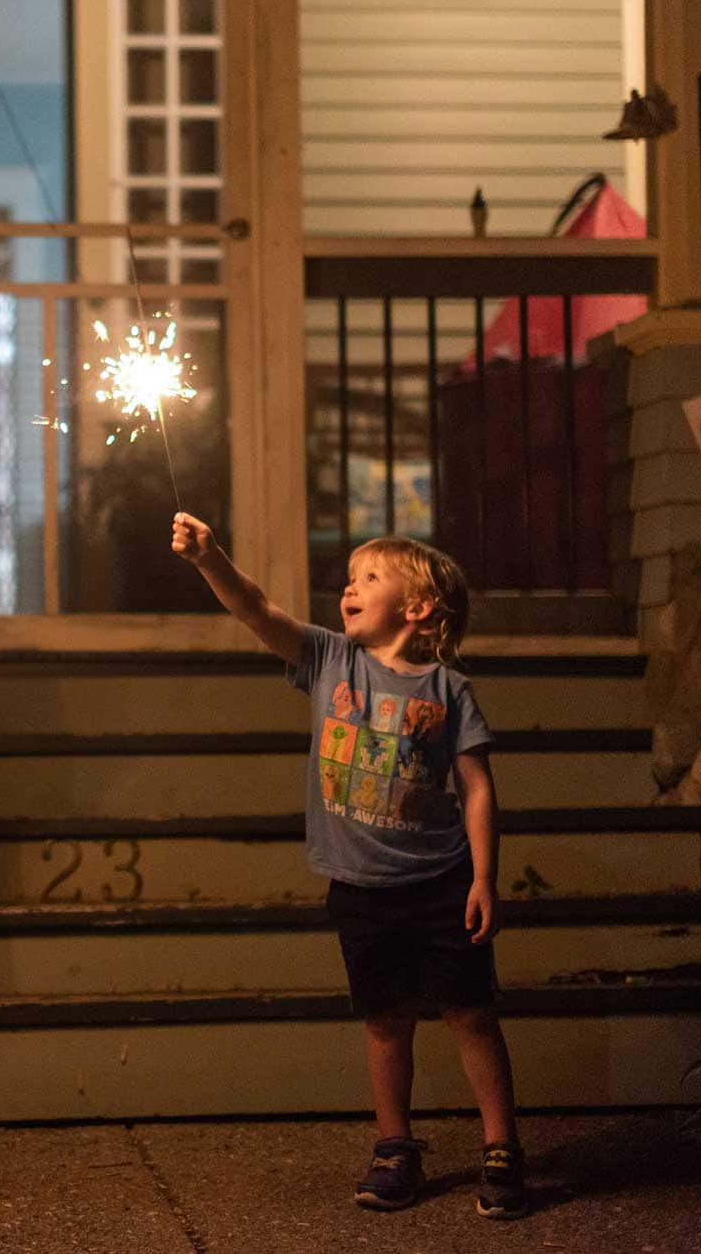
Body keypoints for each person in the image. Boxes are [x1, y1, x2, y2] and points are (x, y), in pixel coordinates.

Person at [170, 514, 528, 1220]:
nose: (347, 587)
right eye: (349, 578)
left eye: (369, 577)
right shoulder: (328, 660)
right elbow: (256, 608)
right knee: (385, 1021)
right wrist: (211, 559)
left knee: (471, 1015)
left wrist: (485, 876)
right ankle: (395, 1146)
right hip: (360, 888)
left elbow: (477, 787)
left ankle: (502, 1148)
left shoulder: (448, 688)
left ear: (420, 606)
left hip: (440, 882)